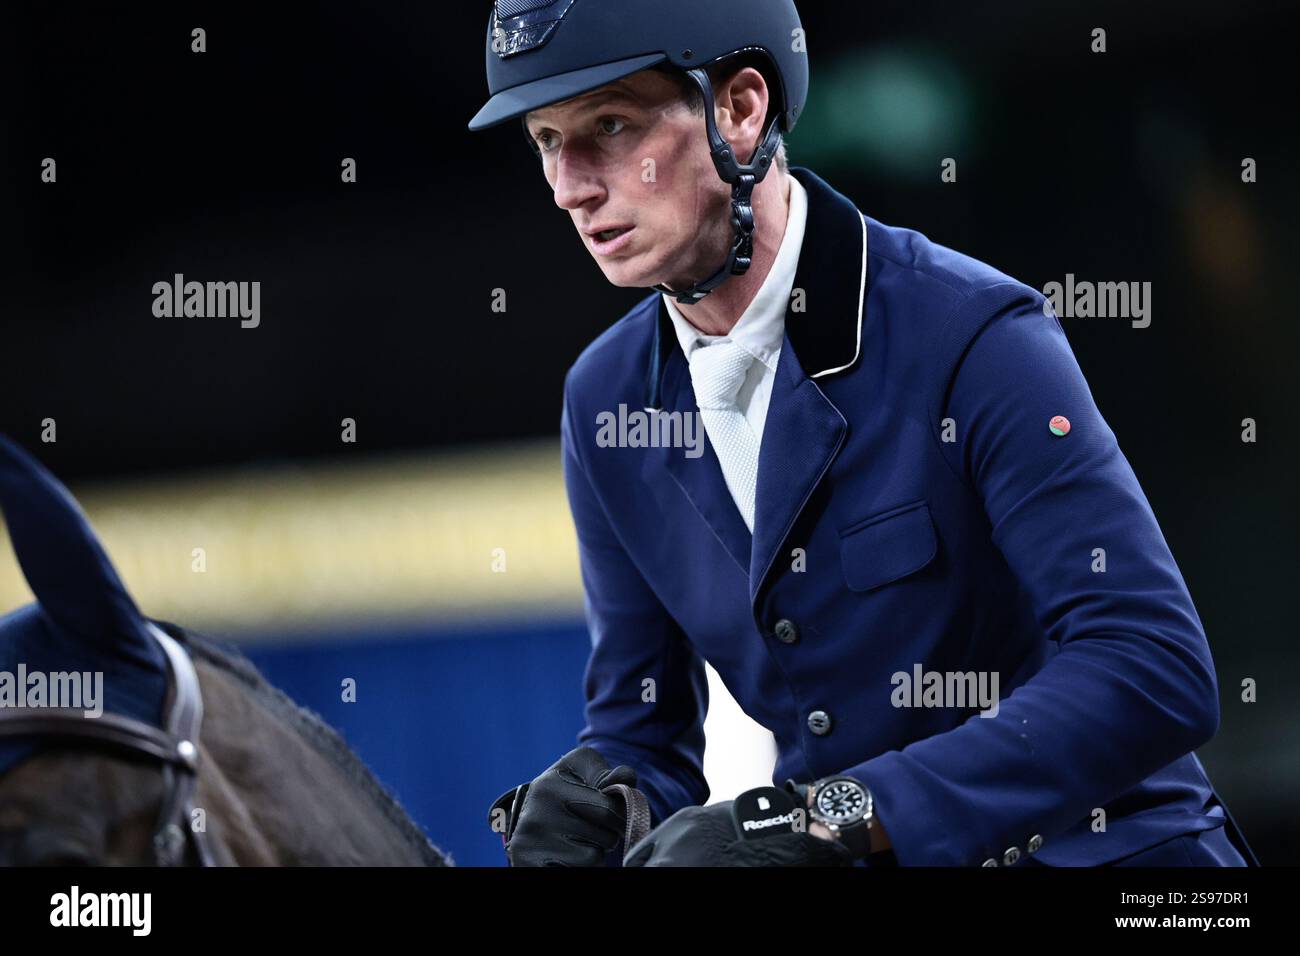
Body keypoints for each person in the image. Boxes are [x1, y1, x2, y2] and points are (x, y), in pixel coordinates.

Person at [472, 0, 1258, 867]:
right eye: (546, 141)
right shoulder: (604, 401)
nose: (570, 186)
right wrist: (601, 801)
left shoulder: (973, 333)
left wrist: (826, 817)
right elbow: (643, 735)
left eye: (609, 127)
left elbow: (1153, 671)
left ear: (740, 108)